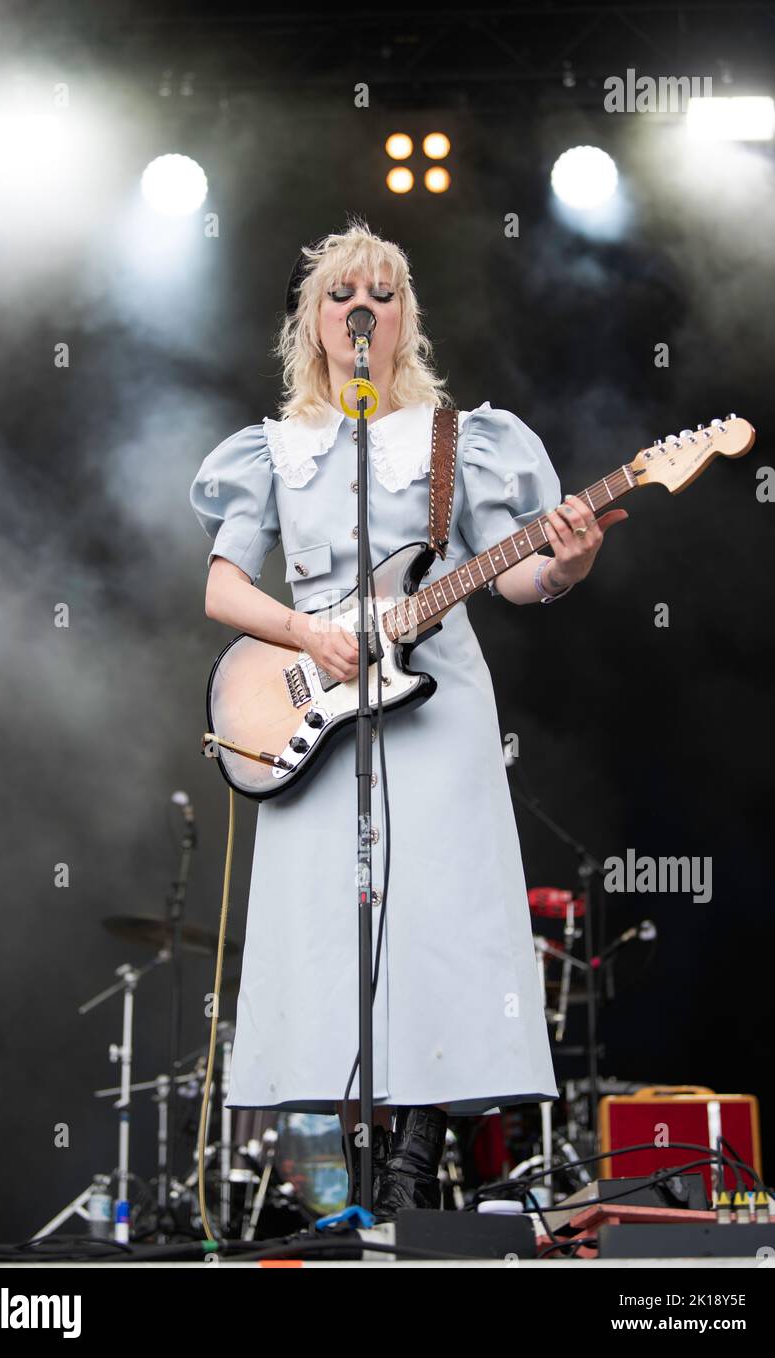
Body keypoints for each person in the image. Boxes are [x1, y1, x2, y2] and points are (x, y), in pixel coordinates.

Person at [189, 221, 627, 1220]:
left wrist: (566, 559)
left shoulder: (453, 439)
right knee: (327, 938)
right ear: (313, 317)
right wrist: (308, 632)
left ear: (403, 321)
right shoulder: (274, 449)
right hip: (321, 704)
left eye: (382, 294)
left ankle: (410, 1181)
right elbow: (222, 587)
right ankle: (354, 1183)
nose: (362, 306)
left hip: (439, 707)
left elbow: (516, 576)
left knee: (437, 929)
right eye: (343, 290)